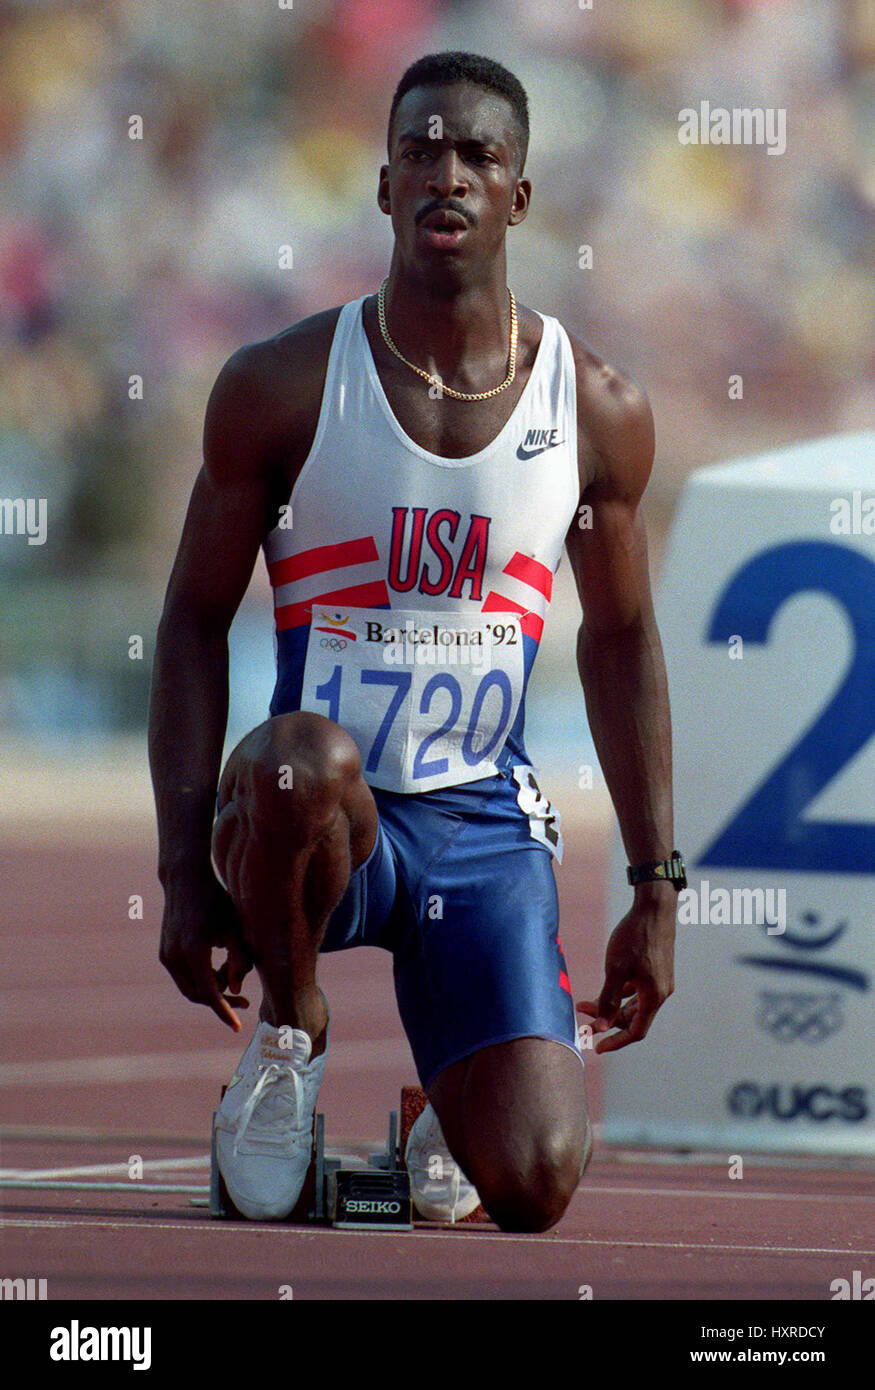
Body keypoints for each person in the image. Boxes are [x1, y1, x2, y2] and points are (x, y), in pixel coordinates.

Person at [148, 51, 681, 1234]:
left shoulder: (593, 410)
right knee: (305, 759)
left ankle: (454, 1089)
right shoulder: (282, 385)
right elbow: (187, 619)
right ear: (383, 188)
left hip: (477, 822)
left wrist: (655, 883)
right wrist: (184, 869)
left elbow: (623, 637)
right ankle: (289, 1039)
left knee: (533, 1186)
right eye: (421, 152)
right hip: (314, 819)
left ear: (519, 197)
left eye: (478, 155)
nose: (447, 174)